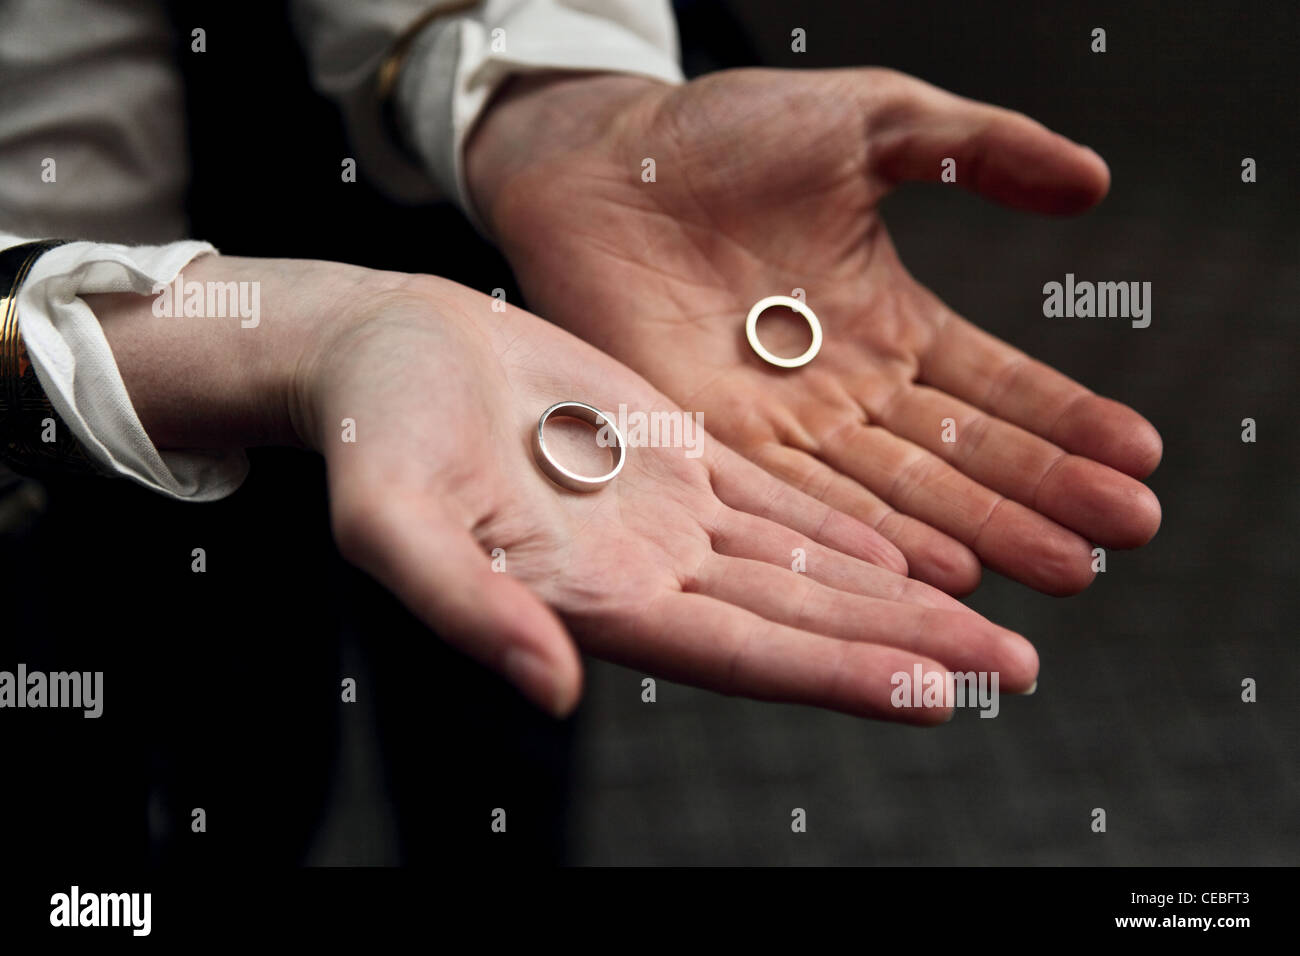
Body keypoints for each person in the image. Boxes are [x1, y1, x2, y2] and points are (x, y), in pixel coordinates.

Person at [1, 0, 1158, 723]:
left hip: (503, 286)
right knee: (235, 722)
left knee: (495, 683)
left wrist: (558, 102)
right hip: (119, 454)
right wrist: (220, 332)